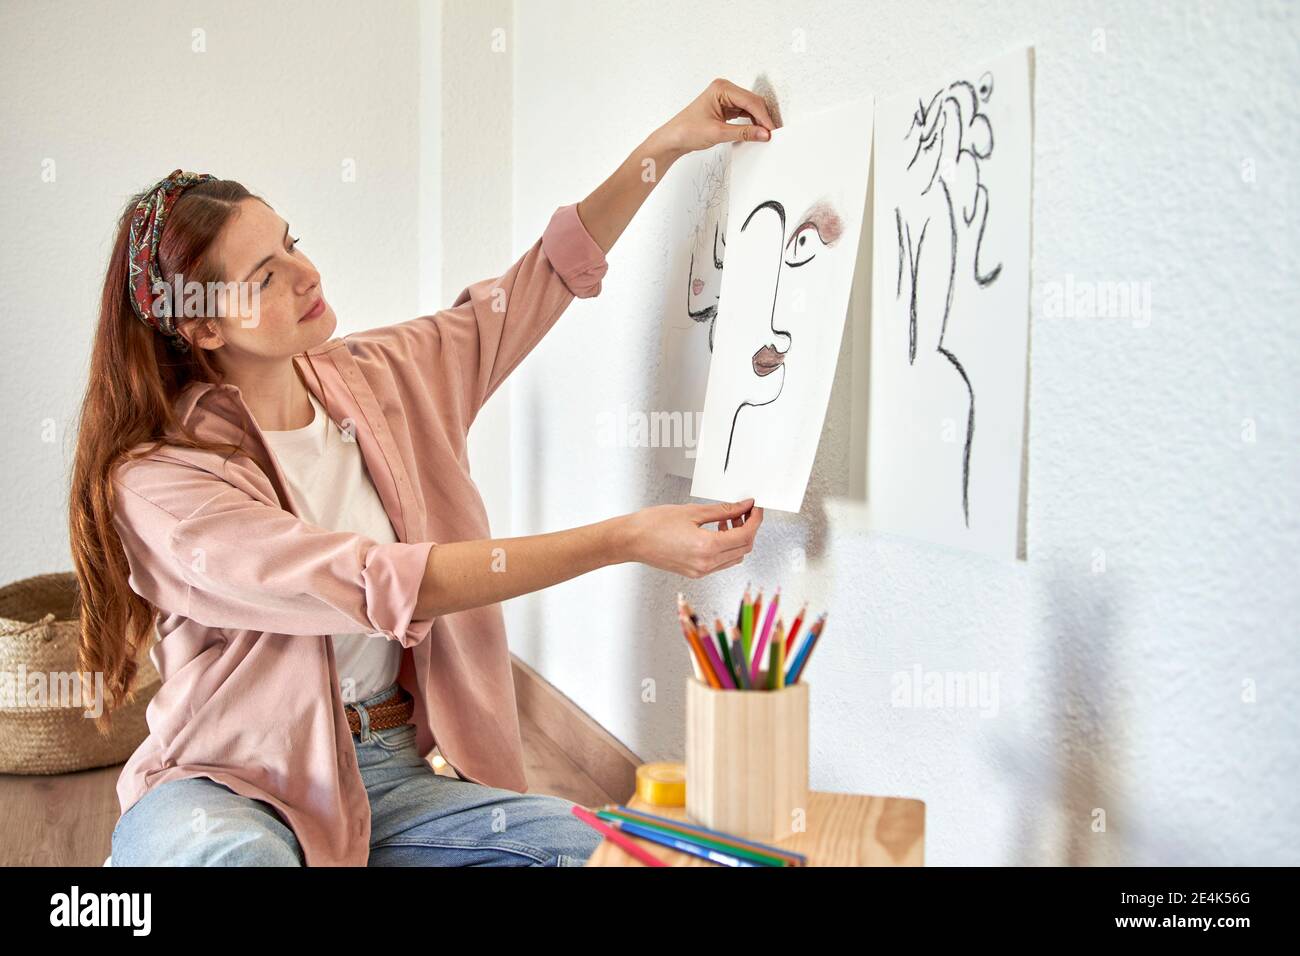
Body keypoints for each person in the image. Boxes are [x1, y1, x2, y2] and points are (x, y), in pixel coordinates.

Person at [70, 79, 779, 866]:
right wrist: (622, 539)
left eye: (292, 243)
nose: (307, 274)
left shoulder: (380, 379)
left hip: (389, 775)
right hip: (226, 785)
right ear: (202, 323)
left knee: (601, 855)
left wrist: (668, 145)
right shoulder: (160, 481)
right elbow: (378, 582)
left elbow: (532, 287)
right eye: (265, 276)